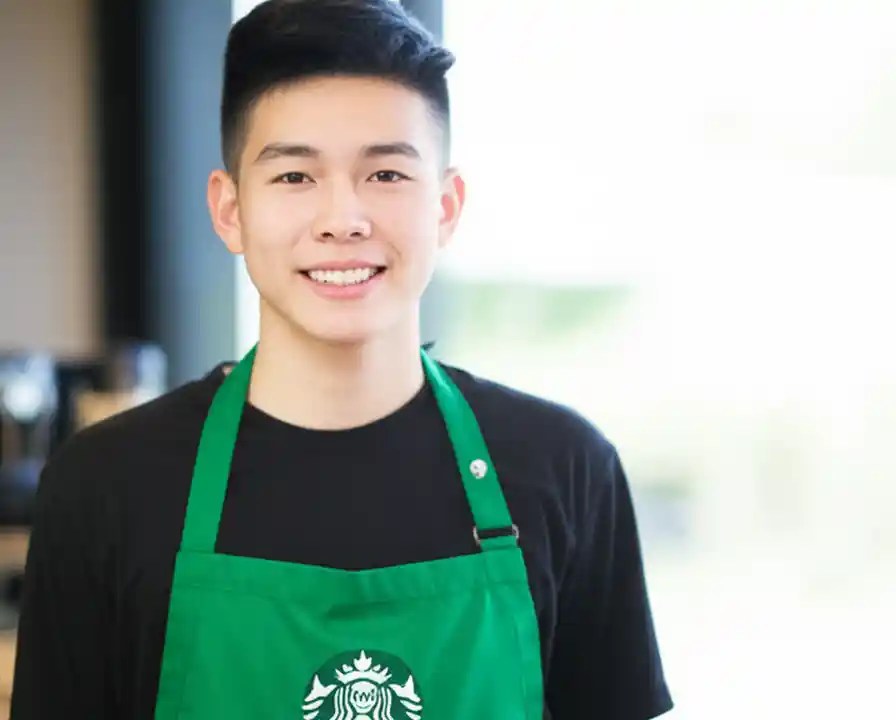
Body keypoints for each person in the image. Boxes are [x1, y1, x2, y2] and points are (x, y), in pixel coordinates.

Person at [9, 1, 673, 717]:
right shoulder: (105, 487)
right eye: (295, 177)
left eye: (386, 175)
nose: (343, 219)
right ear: (229, 209)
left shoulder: (565, 470)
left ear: (445, 207)